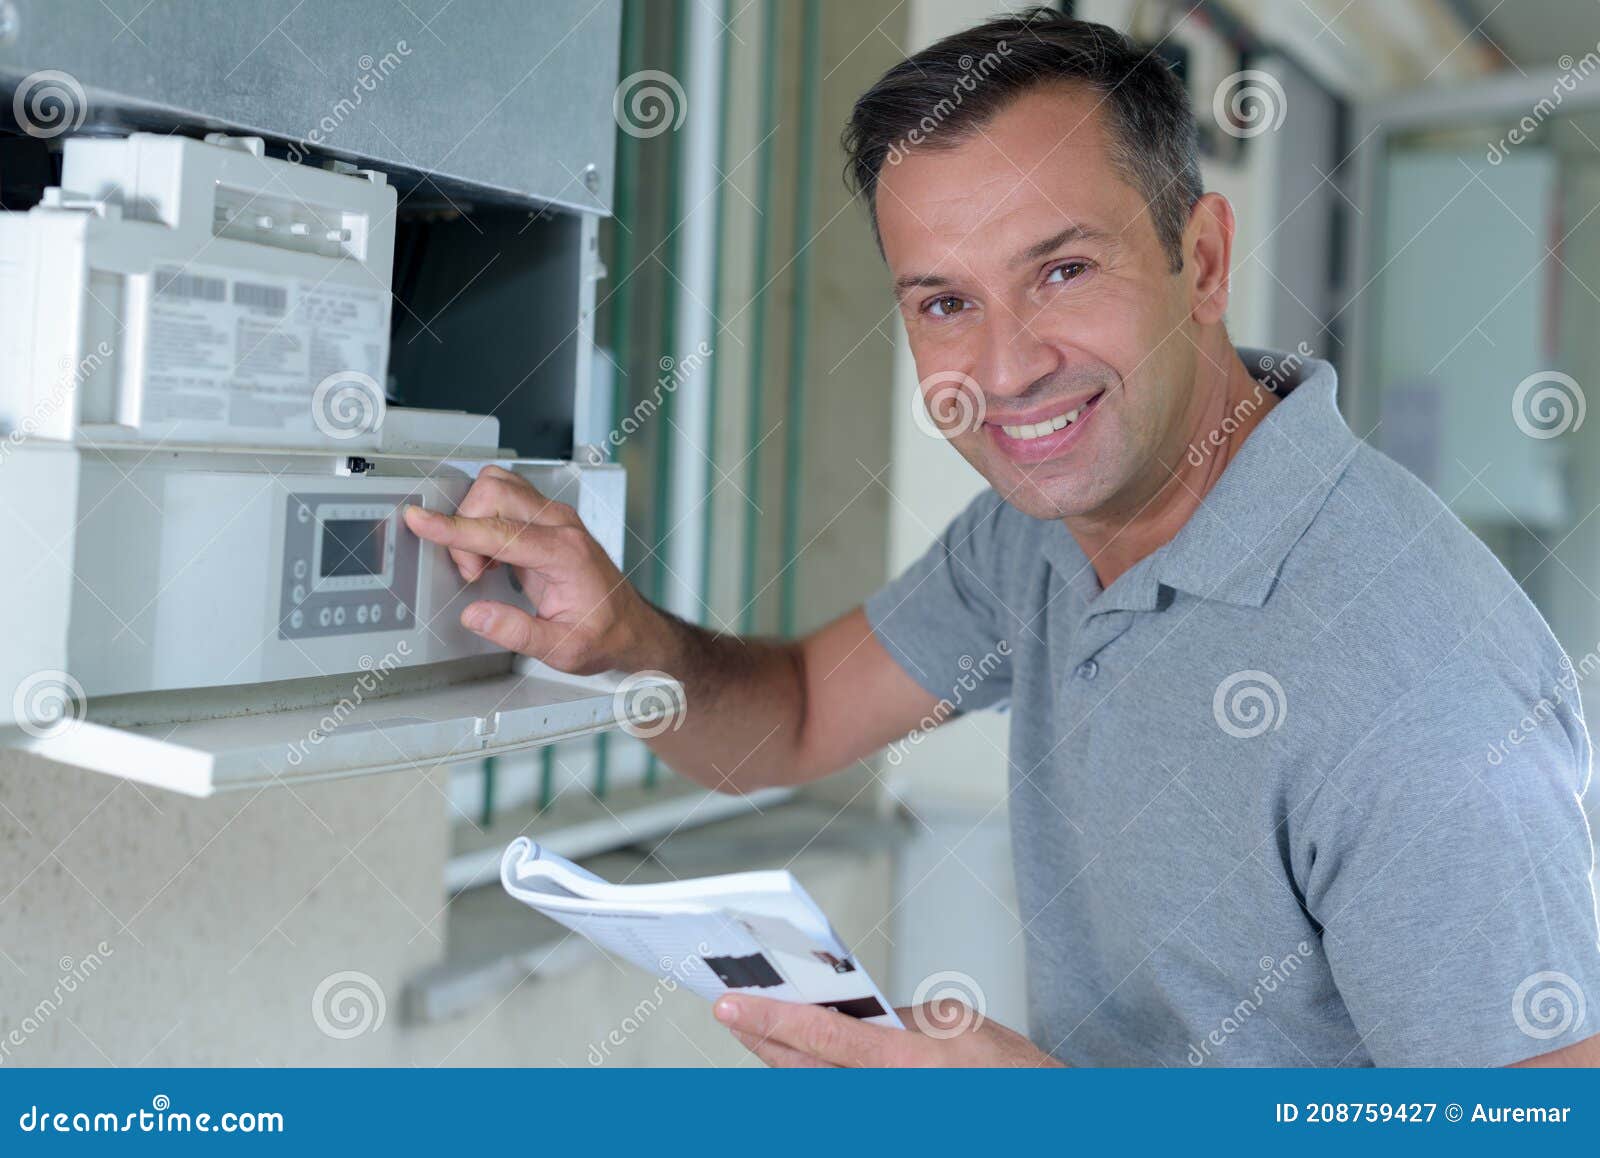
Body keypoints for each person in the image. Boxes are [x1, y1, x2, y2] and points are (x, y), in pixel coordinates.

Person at [405, 10, 1600, 1067]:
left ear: (1202, 262)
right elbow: (799, 717)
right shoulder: (1034, 536)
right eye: (944, 303)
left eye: (1063, 270)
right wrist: (628, 644)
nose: (1006, 368)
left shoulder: (1422, 695)